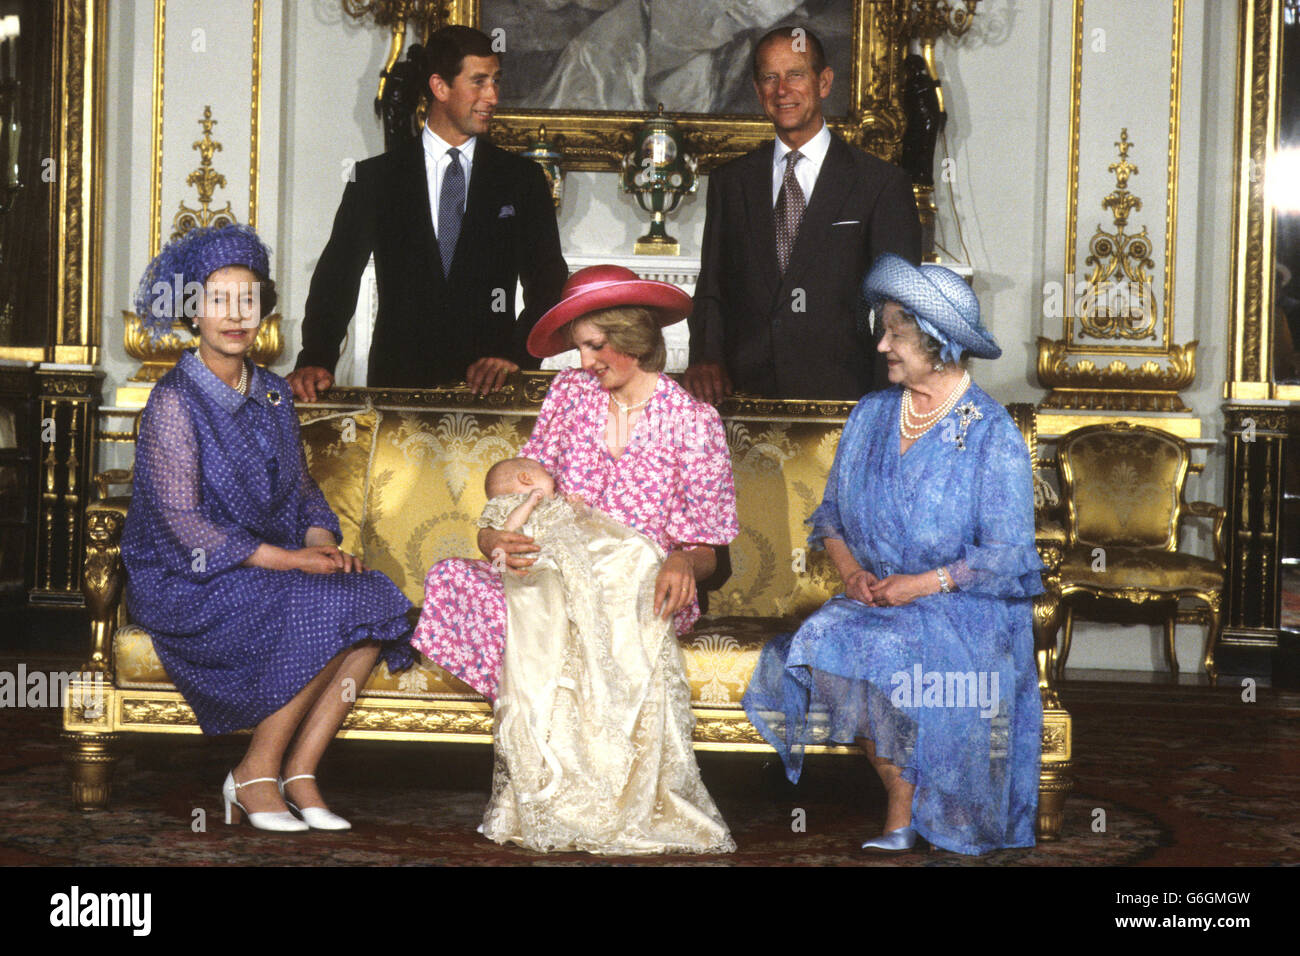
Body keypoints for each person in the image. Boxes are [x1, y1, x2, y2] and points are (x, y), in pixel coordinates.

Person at [411, 264, 738, 854]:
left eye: (594, 346)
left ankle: (596, 797)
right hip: (556, 565)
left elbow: (708, 547)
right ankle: (551, 777)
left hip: (641, 584)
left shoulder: (694, 422)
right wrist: (494, 542)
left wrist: (685, 563)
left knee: (592, 628)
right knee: (451, 580)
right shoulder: (567, 395)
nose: (584, 361)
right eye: (579, 348)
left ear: (632, 338)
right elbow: (521, 492)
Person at [742, 253, 1044, 855]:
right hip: (876, 598)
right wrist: (852, 571)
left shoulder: (990, 432)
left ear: (938, 342)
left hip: (963, 605)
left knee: (894, 649)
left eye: (896, 335)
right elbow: (829, 515)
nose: (882, 345)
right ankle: (914, 800)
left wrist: (922, 583)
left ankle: (901, 812)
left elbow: (1008, 556)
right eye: (883, 331)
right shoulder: (873, 414)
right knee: (818, 641)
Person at [123, 224, 416, 832]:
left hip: (267, 559)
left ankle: (300, 771)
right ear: (192, 311)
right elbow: (185, 529)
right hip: (190, 578)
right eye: (219, 300)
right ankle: (255, 771)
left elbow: (302, 491)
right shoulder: (174, 402)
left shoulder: (275, 394)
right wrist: (290, 563)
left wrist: (320, 542)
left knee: (369, 596)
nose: (236, 316)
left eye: (248, 300)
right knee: (317, 603)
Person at [288, 25, 567, 401]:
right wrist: (316, 357)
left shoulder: (523, 179)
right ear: (439, 87)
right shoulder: (373, 179)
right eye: (479, 82)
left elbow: (549, 282)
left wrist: (515, 356)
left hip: (491, 392)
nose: (493, 96)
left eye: (496, 82)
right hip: (397, 389)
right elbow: (337, 277)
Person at [685, 26, 923, 403]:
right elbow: (712, 288)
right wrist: (705, 356)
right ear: (757, 89)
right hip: (744, 398)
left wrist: (885, 402)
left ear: (824, 83)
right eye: (769, 78)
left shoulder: (880, 184)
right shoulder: (731, 182)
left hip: (846, 398)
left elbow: (898, 307)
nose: (782, 90)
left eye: (795, 74)